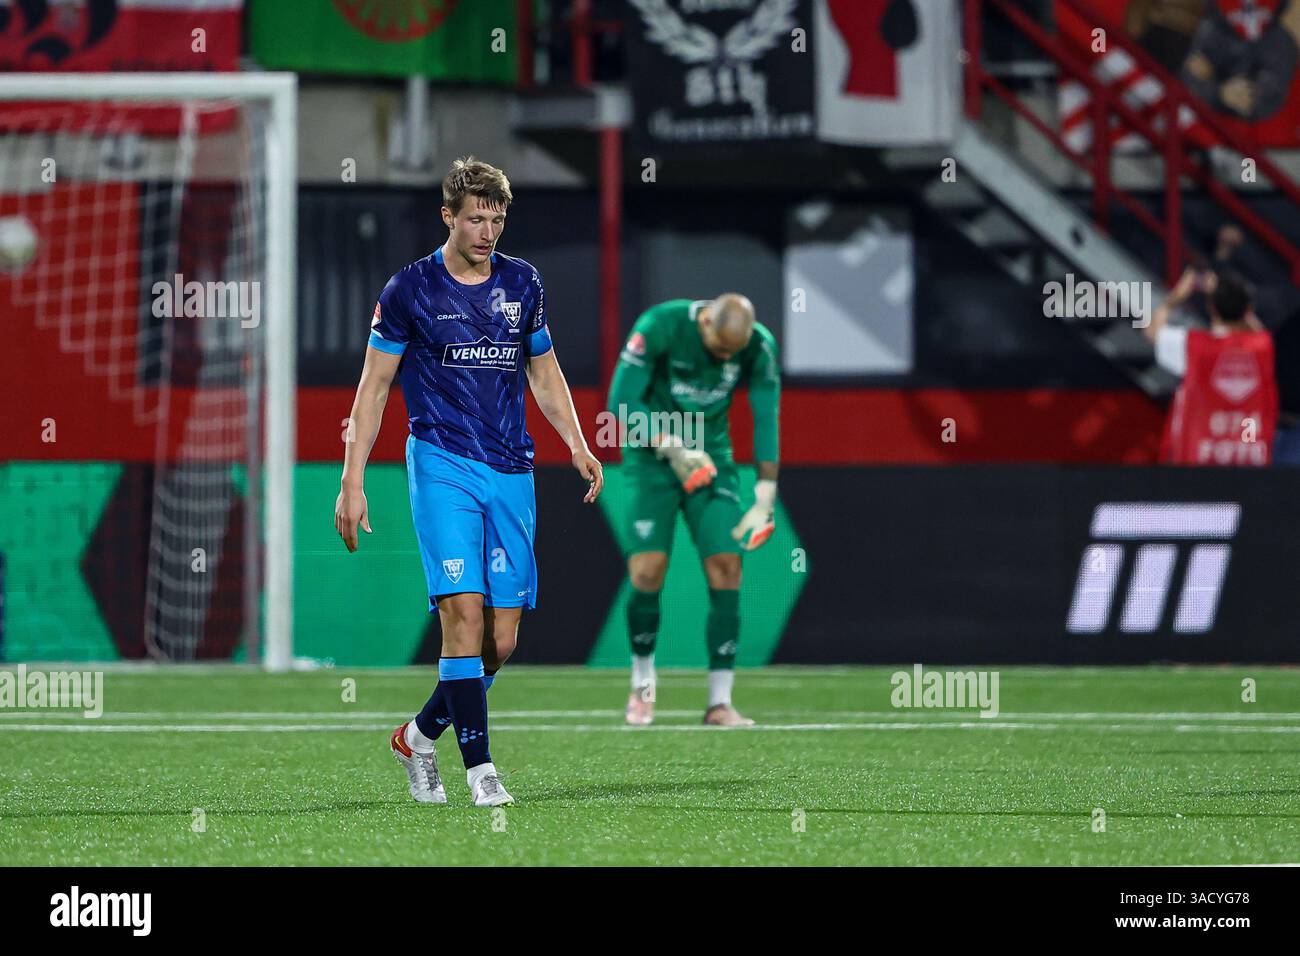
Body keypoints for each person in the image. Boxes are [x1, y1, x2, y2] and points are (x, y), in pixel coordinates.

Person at [335, 157, 603, 806]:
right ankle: (481, 771)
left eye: (498, 218)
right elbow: (374, 387)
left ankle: (417, 737)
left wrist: (576, 439)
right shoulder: (410, 290)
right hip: (441, 463)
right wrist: (353, 479)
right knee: (463, 614)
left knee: (501, 641)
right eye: (476, 218)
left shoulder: (524, 282)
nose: (488, 231)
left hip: (511, 467)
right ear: (448, 217)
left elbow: (543, 370)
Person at [606, 294, 780, 727]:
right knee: (647, 570)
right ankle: (643, 684)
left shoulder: (758, 345)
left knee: (727, 566)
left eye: (730, 355)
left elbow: (765, 415)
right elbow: (620, 404)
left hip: (713, 460)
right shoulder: (661, 324)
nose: (724, 359)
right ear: (704, 322)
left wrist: (765, 493)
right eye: (718, 349)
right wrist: (671, 445)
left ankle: (720, 703)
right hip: (652, 459)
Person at [1144, 266, 1278, 464]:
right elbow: (1258, 331)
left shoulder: (1195, 348)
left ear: (1211, 307)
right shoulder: (1261, 349)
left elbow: (1152, 331)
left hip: (1200, 461)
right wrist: (1232, 298)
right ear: (1248, 309)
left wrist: (1174, 299)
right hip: (1248, 462)